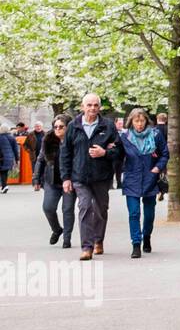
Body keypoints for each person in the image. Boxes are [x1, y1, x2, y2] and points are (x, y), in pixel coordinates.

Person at [62, 94, 120, 260]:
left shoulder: (107, 126)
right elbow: (65, 153)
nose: (92, 108)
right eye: (89, 105)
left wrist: (105, 152)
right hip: (80, 176)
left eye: (95, 105)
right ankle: (86, 247)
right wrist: (66, 178)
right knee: (85, 207)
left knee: (101, 209)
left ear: (99, 107)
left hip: (102, 176)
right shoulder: (73, 126)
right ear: (83, 106)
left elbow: (118, 150)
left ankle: (98, 240)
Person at [119, 107, 169, 258]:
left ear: (146, 121)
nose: (139, 124)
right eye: (136, 121)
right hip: (132, 178)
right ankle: (136, 244)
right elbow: (117, 154)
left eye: (142, 121)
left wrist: (157, 168)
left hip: (150, 178)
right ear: (131, 122)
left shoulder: (156, 134)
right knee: (134, 213)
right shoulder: (125, 136)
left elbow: (165, 154)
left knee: (149, 214)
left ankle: (146, 236)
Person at [34, 115, 75, 247]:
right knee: (48, 208)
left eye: (61, 127)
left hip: (69, 180)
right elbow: (40, 160)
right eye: (55, 126)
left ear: (68, 127)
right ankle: (57, 229)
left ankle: (67, 239)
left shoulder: (75, 140)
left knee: (67, 209)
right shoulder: (48, 140)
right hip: (51, 181)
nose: (57, 129)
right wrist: (36, 179)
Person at [0, 124, 20, 194]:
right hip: (9, 158)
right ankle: (4, 186)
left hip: (1, 158)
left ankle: (4, 186)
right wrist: (17, 159)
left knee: (2, 172)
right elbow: (15, 150)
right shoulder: (12, 138)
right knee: (4, 172)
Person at [154, 113, 169, 203]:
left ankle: (158, 190)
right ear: (166, 120)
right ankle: (163, 188)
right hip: (165, 153)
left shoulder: (154, 130)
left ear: (157, 119)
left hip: (156, 153)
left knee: (156, 171)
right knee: (163, 171)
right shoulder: (168, 129)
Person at [112, 117, 126, 189]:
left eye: (122, 124)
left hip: (121, 154)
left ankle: (119, 183)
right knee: (112, 169)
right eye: (119, 123)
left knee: (119, 169)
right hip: (113, 154)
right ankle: (110, 184)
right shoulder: (112, 131)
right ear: (115, 123)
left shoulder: (125, 132)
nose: (121, 125)